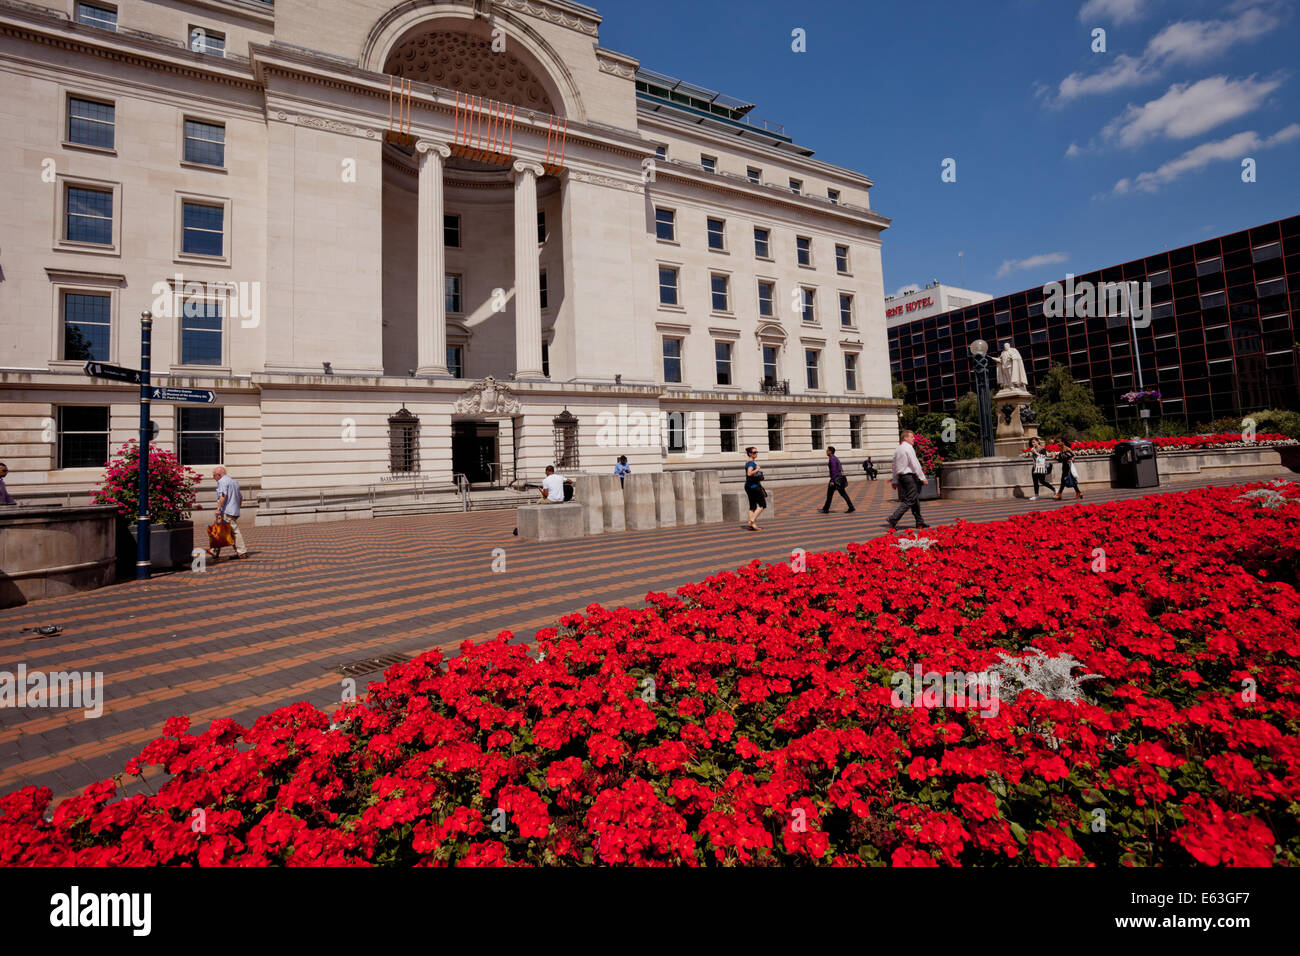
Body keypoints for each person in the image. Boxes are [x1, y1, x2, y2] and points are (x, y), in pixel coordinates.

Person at [886, 429, 930, 532]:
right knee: (910, 499)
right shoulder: (908, 448)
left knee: (914, 499)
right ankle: (893, 518)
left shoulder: (898, 449)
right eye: (911, 437)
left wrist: (895, 481)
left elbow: (895, 466)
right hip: (909, 477)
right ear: (905, 438)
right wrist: (922, 477)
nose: (914, 438)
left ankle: (919, 521)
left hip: (902, 478)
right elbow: (915, 464)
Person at [208, 465, 248, 561]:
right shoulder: (234, 482)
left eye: (214, 476)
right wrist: (237, 508)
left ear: (219, 474)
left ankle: (242, 552)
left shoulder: (222, 481)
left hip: (226, 510)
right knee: (222, 530)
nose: (214, 478)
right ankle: (214, 551)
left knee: (233, 531)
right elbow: (241, 497)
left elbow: (223, 495)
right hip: (233, 510)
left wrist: (218, 508)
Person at [819, 446, 855, 514]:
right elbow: (839, 469)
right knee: (843, 494)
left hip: (835, 479)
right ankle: (851, 507)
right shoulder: (835, 458)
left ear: (830, 451)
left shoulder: (832, 459)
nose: (826, 451)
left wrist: (832, 480)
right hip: (839, 479)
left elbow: (833, 470)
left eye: (827, 450)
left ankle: (826, 509)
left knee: (829, 495)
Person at [743, 446, 766, 532]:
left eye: (757, 452)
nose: (756, 453)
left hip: (748, 486)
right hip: (754, 487)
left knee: (752, 506)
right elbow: (749, 473)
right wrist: (757, 469)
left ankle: (752, 526)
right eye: (754, 452)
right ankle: (751, 520)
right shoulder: (751, 463)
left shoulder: (748, 462)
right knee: (762, 505)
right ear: (750, 454)